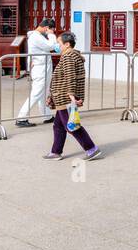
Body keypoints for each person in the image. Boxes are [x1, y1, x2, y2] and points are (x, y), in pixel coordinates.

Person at [43, 32, 102, 161]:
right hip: (62, 96)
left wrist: (71, 95)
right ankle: (55, 151)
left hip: (65, 97)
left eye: (59, 43)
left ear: (67, 44)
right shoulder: (71, 55)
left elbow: (70, 76)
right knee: (58, 125)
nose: (57, 46)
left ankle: (91, 148)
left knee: (72, 126)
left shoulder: (68, 56)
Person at [16, 19, 60, 128]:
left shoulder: (38, 36)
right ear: (46, 28)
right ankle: (21, 117)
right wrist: (52, 35)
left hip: (44, 67)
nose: (51, 32)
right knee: (36, 93)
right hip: (40, 68)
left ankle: (47, 115)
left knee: (43, 93)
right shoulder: (35, 37)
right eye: (51, 30)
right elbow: (51, 46)